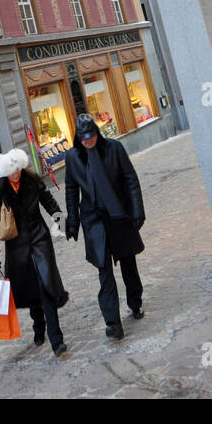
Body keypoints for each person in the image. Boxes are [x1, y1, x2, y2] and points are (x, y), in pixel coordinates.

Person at [64, 113, 145, 339]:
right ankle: (112, 322)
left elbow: (130, 179)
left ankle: (135, 303)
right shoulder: (73, 158)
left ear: (97, 133)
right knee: (104, 270)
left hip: (118, 215)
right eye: (84, 138)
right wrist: (72, 222)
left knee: (128, 262)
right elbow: (71, 190)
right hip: (94, 220)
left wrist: (137, 210)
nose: (88, 141)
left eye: (91, 136)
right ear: (78, 138)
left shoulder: (114, 148)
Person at [0, 148, 68, 355]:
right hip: (16, 244)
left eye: (18, 169)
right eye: (12, 171)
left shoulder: (32, 181)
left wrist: (63, 223)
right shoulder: (0, 191)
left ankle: (56, 339)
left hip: (39, 237)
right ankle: (38, 326)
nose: (17, 173)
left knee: (46, 284)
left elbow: (48, 201)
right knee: (31, 287)